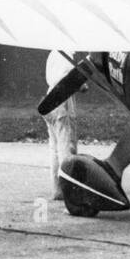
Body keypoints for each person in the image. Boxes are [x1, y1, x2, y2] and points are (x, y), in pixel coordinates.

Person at [43, 51, 80, 200]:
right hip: (62, 100)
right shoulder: (67, 57)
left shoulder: (53, 53)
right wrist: (82, 84)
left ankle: (57, 189)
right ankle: (69, 188)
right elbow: (68, 80)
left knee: (55, 147)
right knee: (67, 146)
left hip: (49, 99)